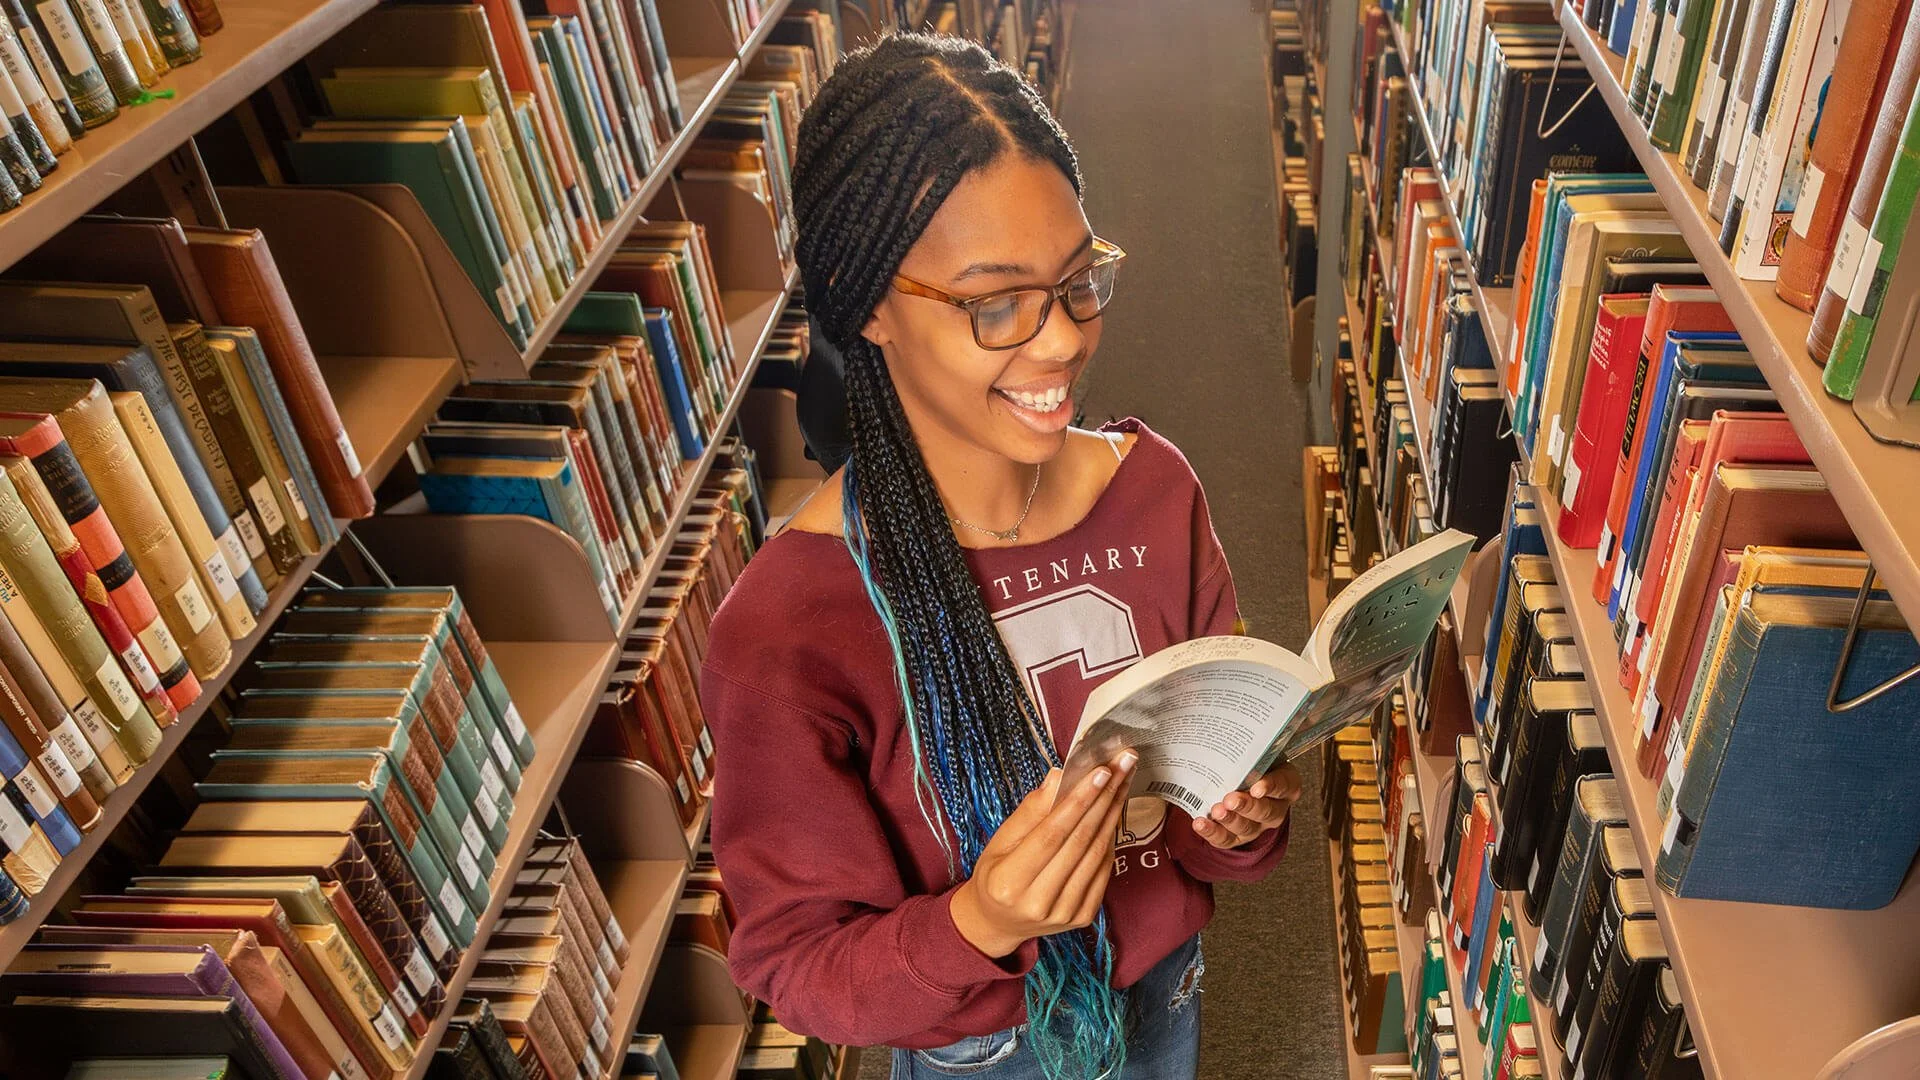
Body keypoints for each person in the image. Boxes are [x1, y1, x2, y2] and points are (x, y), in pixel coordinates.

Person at [701, 32, 1303, 1080]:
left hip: (1163, 993)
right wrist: (979, 920)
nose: (1063, 340)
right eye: (996, 304)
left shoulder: (1156, 492)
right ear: (867, 302)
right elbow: (797, 964)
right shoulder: (793, 625)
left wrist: (1236, 817)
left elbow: (1195, 833)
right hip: (978, 1048)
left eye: (1078, 281)